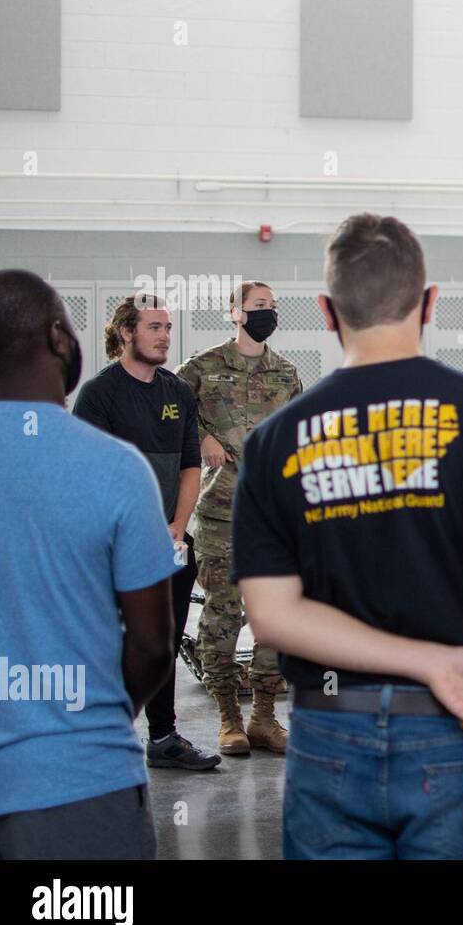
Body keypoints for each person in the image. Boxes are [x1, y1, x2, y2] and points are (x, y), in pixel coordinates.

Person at [232, 214, 463, 859]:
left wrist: (421, 662)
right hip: (455, 733)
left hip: (327, 736)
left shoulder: (273, 440)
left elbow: (269, 616)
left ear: (327, 312)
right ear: (429, 302)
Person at [0, 270, 178, 858]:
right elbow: (151, 645)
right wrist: (92, 717)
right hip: (83, 790)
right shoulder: (116, 470)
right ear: (61, 340)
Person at [74, 293, 219, 770]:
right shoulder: (99, 394)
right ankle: (99, 737)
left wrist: (176, 528)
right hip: (113, 545)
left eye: (168, 328)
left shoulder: (176, 392)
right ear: (126, 333)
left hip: (170, 543)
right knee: (109, 641)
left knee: (164, 643)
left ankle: (163, 739)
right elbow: (90, 475)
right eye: (154, 327)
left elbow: (190, 466)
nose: (164, 336)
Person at [177, 282, 301, 755]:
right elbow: (170, 415)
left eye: (271, 307)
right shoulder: (201, 369)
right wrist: (201, 436)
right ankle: (228, 718)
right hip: (219, 516)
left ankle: (264, 718)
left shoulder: (286, 374)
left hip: (271, 517)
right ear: (235, 313)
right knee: (222, 619)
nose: (267, 313)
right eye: (258, 306)